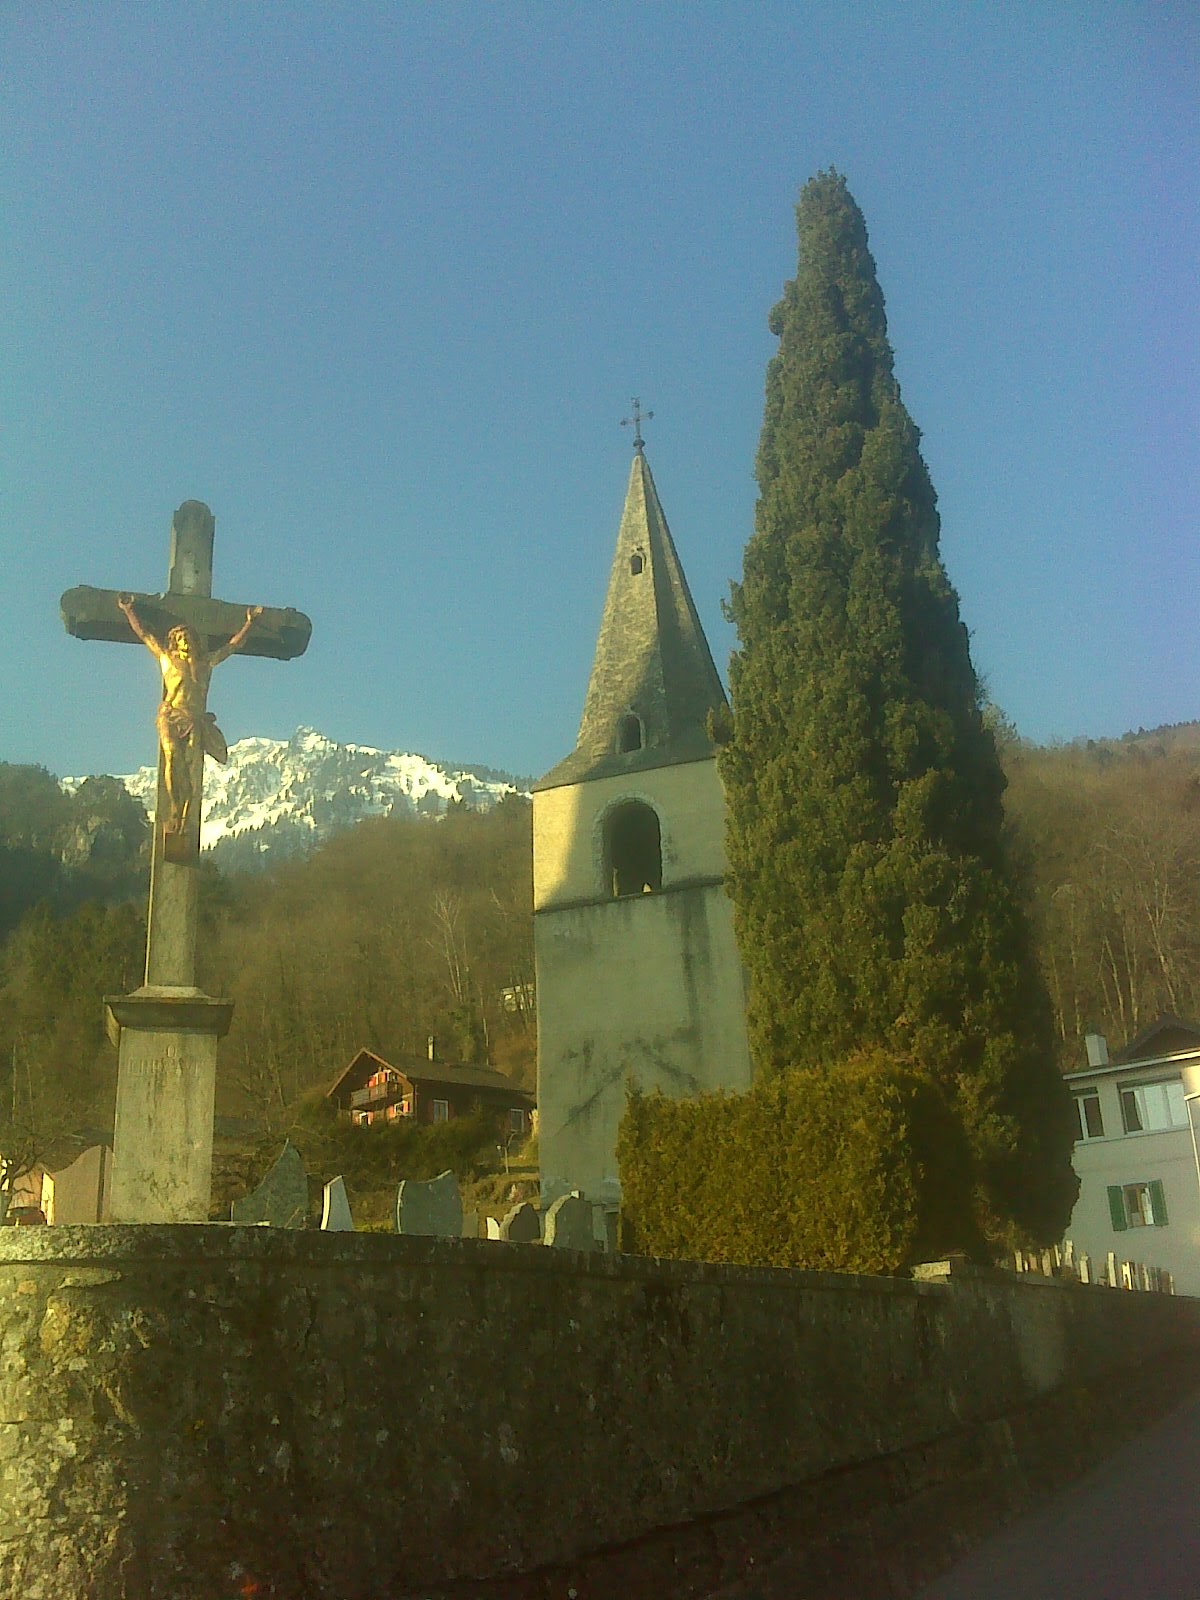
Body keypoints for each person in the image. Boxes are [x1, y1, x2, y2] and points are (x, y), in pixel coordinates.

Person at [117, 595, 262, 836]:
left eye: (188, 637)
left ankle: (185, 816)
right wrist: (129, 611)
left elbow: (232, 646)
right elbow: (145, 635)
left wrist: (249, 623)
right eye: (181, 637)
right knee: (172, 758)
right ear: (175, 642)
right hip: (172, 717)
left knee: (193, 770)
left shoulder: (205, 665)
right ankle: (174, 811)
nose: (185, 641)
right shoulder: (167, 660)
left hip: (195, 721)